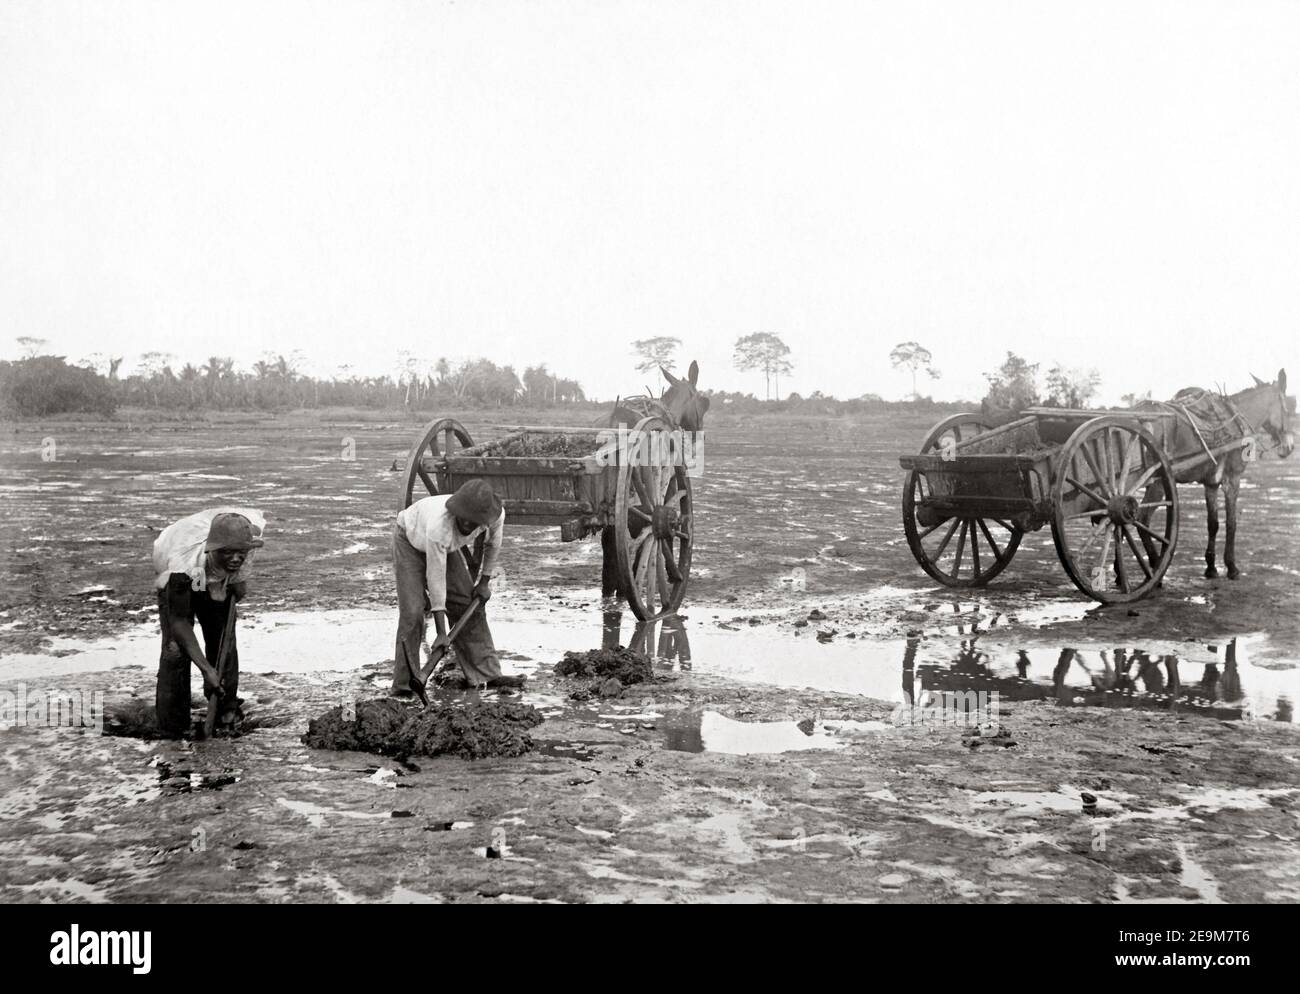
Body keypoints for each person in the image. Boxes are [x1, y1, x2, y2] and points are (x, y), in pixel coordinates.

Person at [152, 508, 265, 736]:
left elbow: (239, 585)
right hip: (182, 570)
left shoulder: (246, 543)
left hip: (209, 573)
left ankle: (226, 711)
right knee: (175, 650)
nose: (236, 558)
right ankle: (172, 724)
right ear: (213, 549)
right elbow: (180, 622)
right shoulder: (185, 564)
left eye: (240, 553)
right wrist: (206, 670)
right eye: (228, 553)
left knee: (223, 639)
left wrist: (233, 585)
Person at [392, 480, 505, 695]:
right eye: (462, 518)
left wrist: (484, 582)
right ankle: (404, 688)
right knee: (413, 614)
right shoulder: (440, 525)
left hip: (445, 547)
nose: (466, 524)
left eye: (472, 522)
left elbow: (493, 545)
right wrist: (441, 632)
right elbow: (436, 579)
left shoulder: (495, 517)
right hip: (409, 540)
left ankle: (486, 675)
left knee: (468, 604)